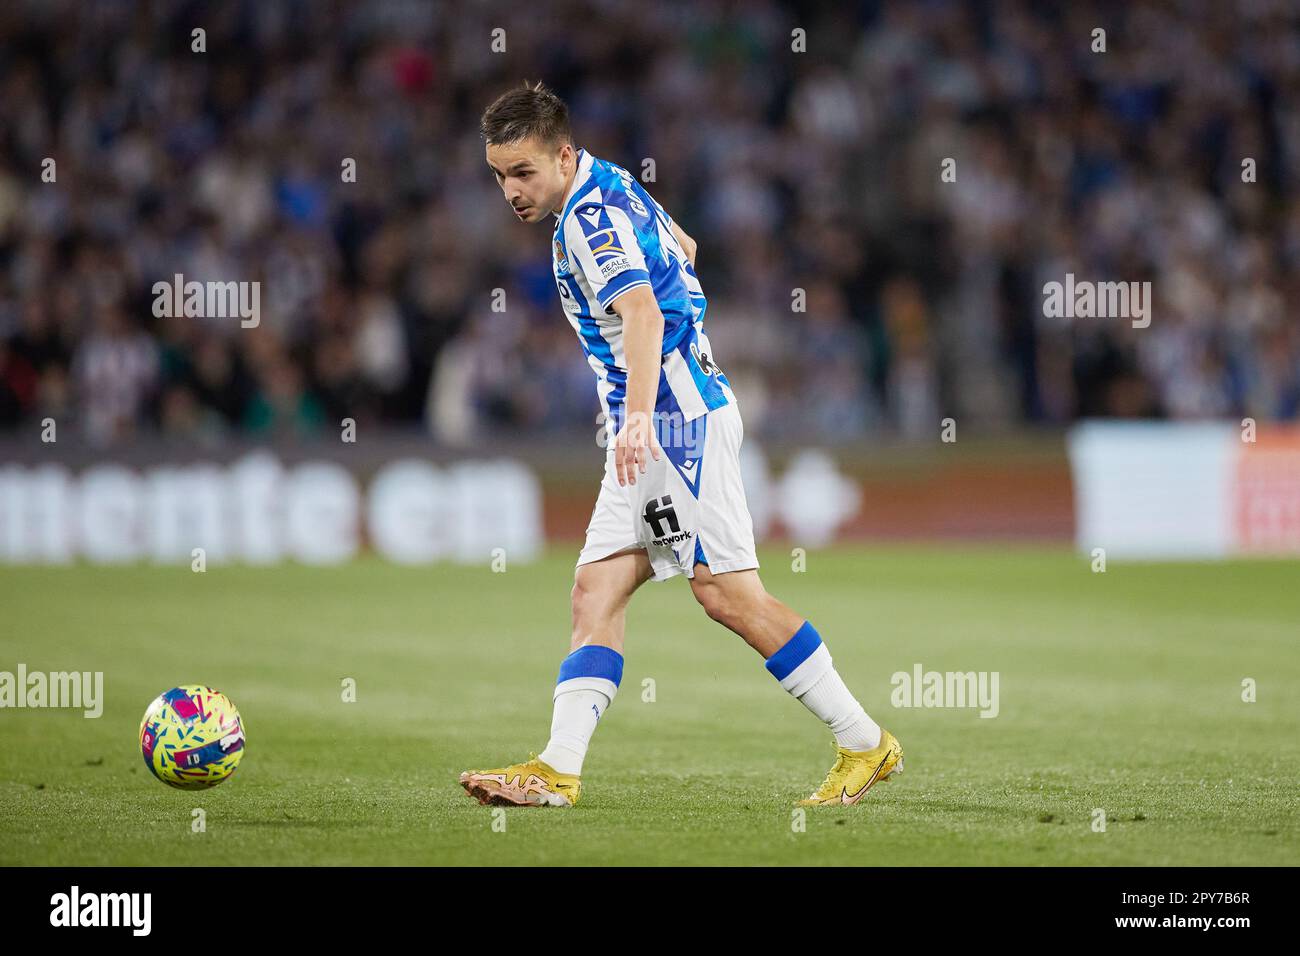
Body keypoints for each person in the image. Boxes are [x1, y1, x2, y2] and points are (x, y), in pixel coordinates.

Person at [459, 81, 902, 807]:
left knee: (727, 595)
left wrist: (637, 417)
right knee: (595, 587)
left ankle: (864, 742)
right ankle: (558, 770)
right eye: (499, 174)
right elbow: (685, 249)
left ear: (562, 156)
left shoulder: (584, 220)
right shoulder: (615, 182)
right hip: (662, 418)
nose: (510, 189)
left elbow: (640, 311)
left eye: (523, 172)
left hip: (671, 425)